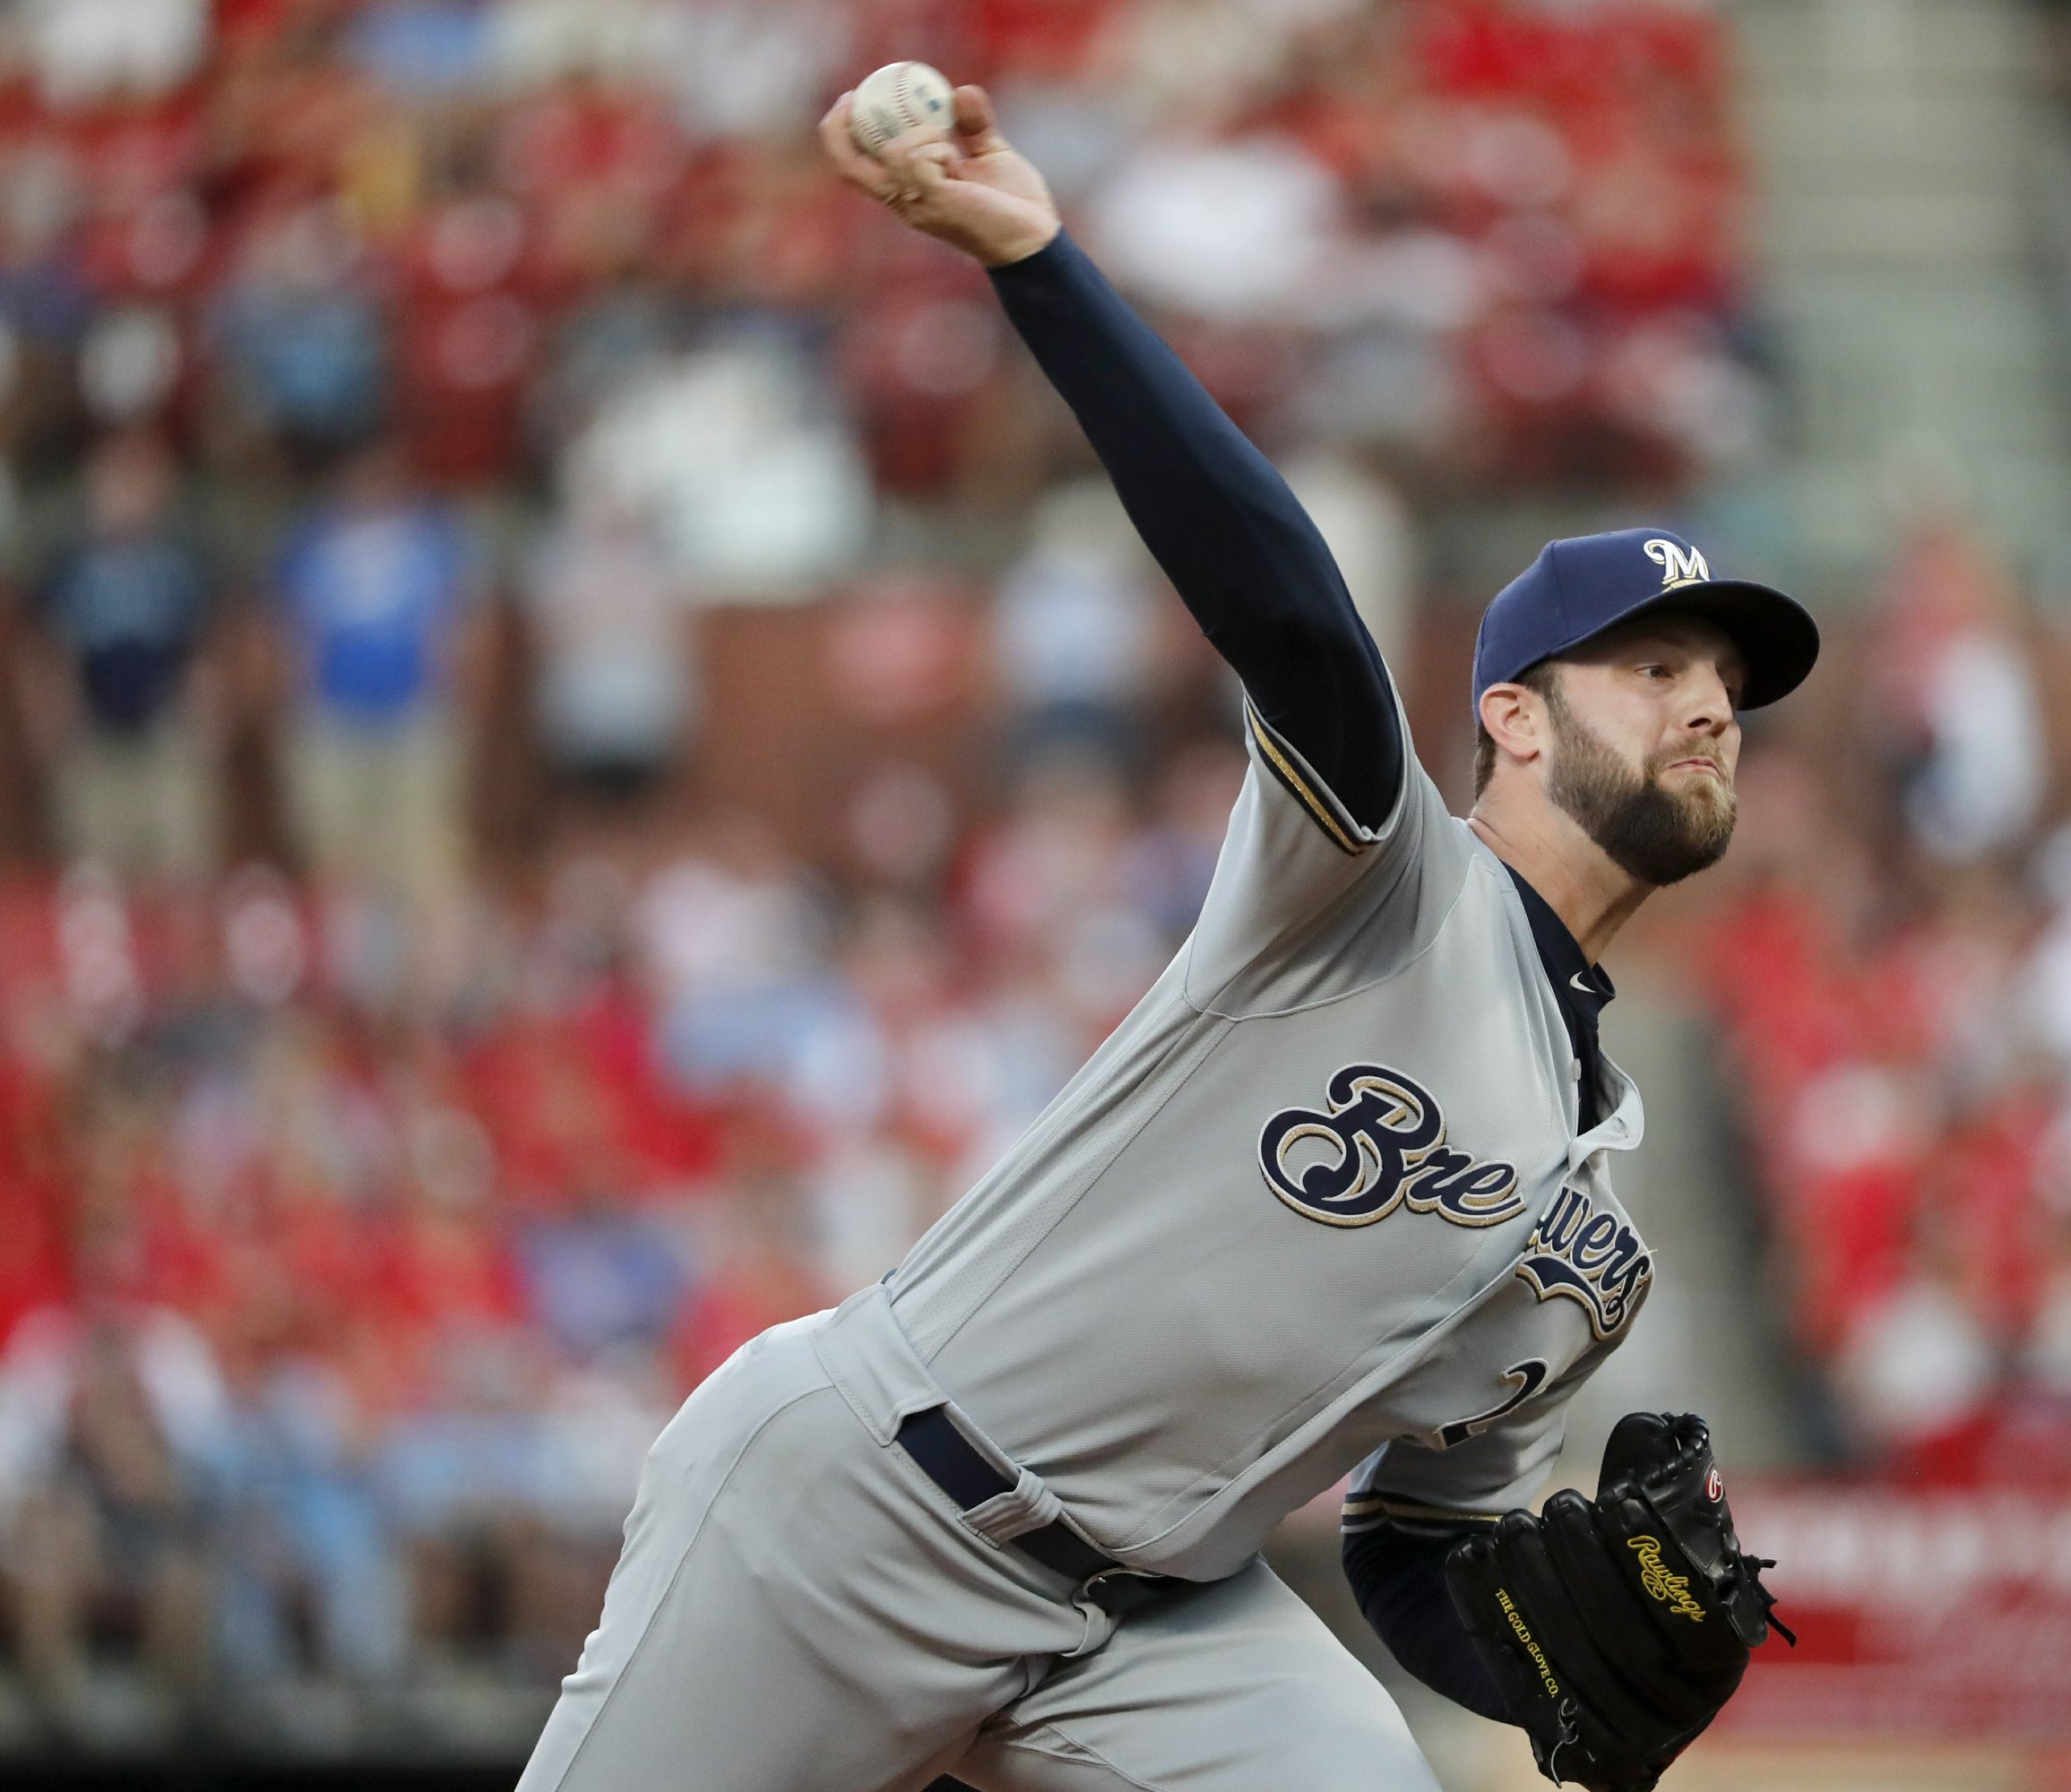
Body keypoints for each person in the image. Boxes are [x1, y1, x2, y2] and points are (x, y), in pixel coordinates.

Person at [515, 83, 1819, 1792]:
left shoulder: (1605, 1217)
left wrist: (1548, 1670)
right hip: (871, 1501)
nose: (1708, 708)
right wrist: (1043, 263)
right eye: (1654, 668)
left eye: (1725, 686)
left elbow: (1417, 1547)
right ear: (1508, 716)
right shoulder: (1379, 885)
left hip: (1151, 1628)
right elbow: (1291, 611)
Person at [273, 438, 480, 904]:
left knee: (424, 851)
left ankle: (419, 968)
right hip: (333, 714)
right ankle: (349, 961)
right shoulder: (312, 543)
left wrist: (454, 700)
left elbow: (455, 628)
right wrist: (296, 706)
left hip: (414, 714)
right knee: (334, 846)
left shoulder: (433, 541)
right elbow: (295, 633)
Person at [17, 432, 219, 882]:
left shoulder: (179, 562)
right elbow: (44, 648)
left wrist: (203, 708)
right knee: (98, 867)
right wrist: (48, 714)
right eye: (118, 483)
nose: (130, 498)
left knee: (178, 866)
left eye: (142, 483)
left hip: (163, 728)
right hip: (91, 729)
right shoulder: (68, 562)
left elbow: (203, 642)